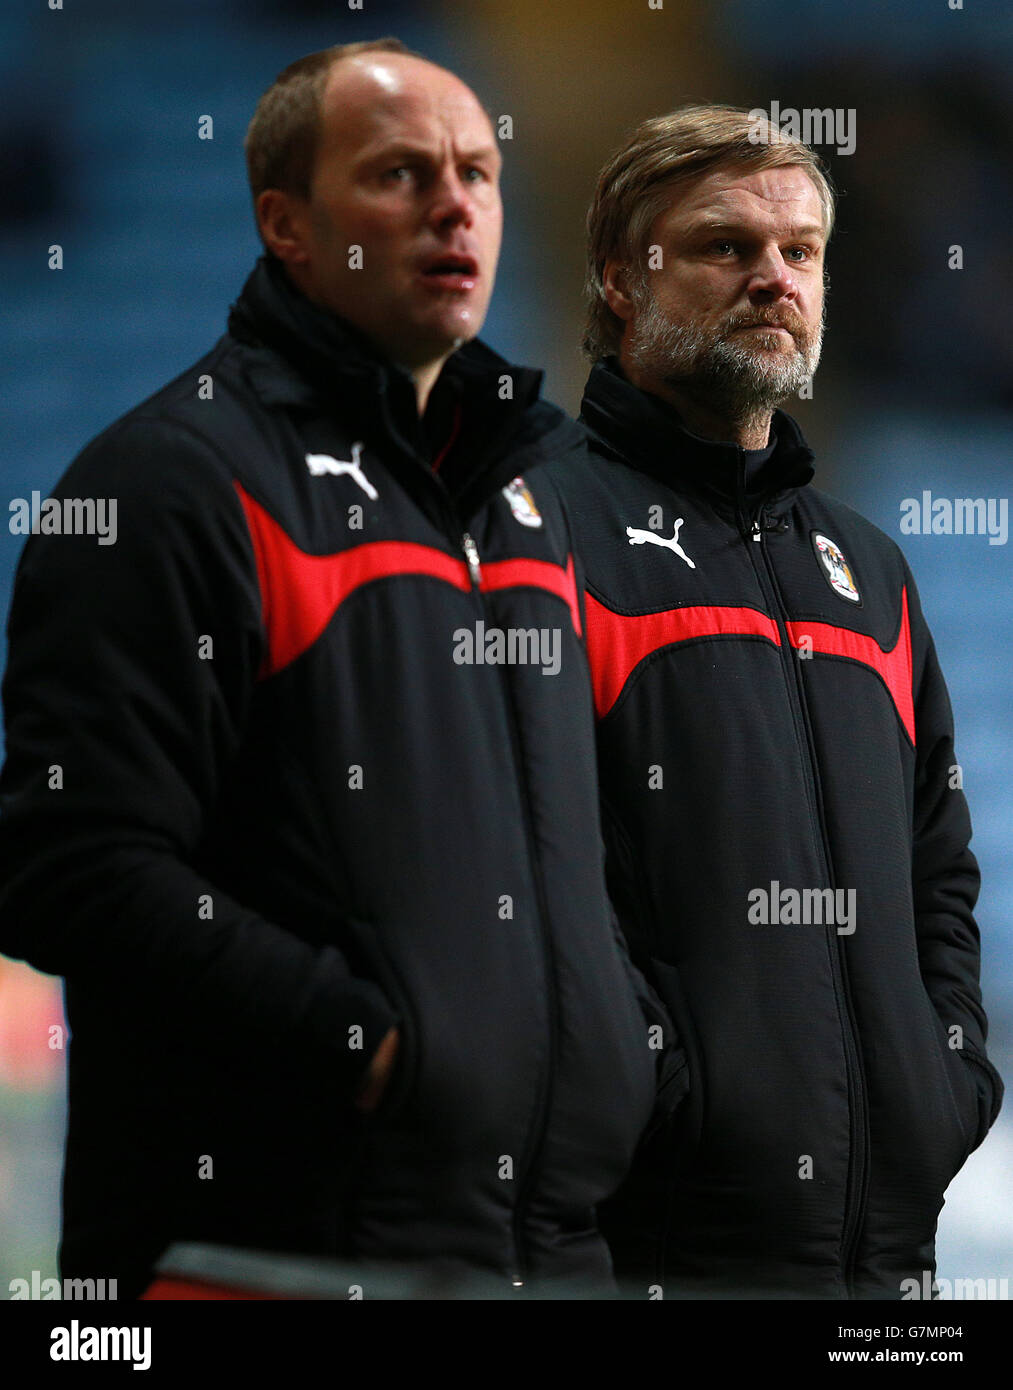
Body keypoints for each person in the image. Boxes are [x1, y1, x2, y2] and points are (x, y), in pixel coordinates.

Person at [0, 40, 685, 1300]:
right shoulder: (170, 483)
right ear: (287, 225)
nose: (454, 204)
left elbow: (595, 863)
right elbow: (68, 864)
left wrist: (625, 1049)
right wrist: (359, 1039)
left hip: (548, 1265)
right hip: (267, 1261)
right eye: (399, 173)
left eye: (477, 172)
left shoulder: (541, 509)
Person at [541, 105, 1004, 1299]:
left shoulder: (867, 569)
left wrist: (943, 1077)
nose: (770, 277)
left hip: (889, 1263)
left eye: (798, 251)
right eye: (721, 247)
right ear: (617, 278)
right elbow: (517, 875)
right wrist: (661, 1088)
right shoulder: (536, 536)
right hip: (661, 1251)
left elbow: (935, 871)